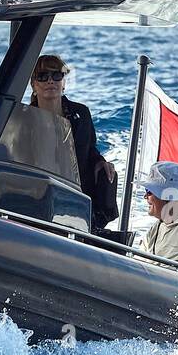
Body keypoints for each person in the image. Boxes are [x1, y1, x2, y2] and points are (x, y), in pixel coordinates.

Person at [29, 54, 119, 229]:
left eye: (57, 75)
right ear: (33, 84)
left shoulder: (81, 113)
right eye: (42, 76)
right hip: (39, 193)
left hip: (78, 193)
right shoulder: (25, 118)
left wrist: (101, 163)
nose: (50, 81)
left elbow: (90, 149)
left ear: (64, 82)